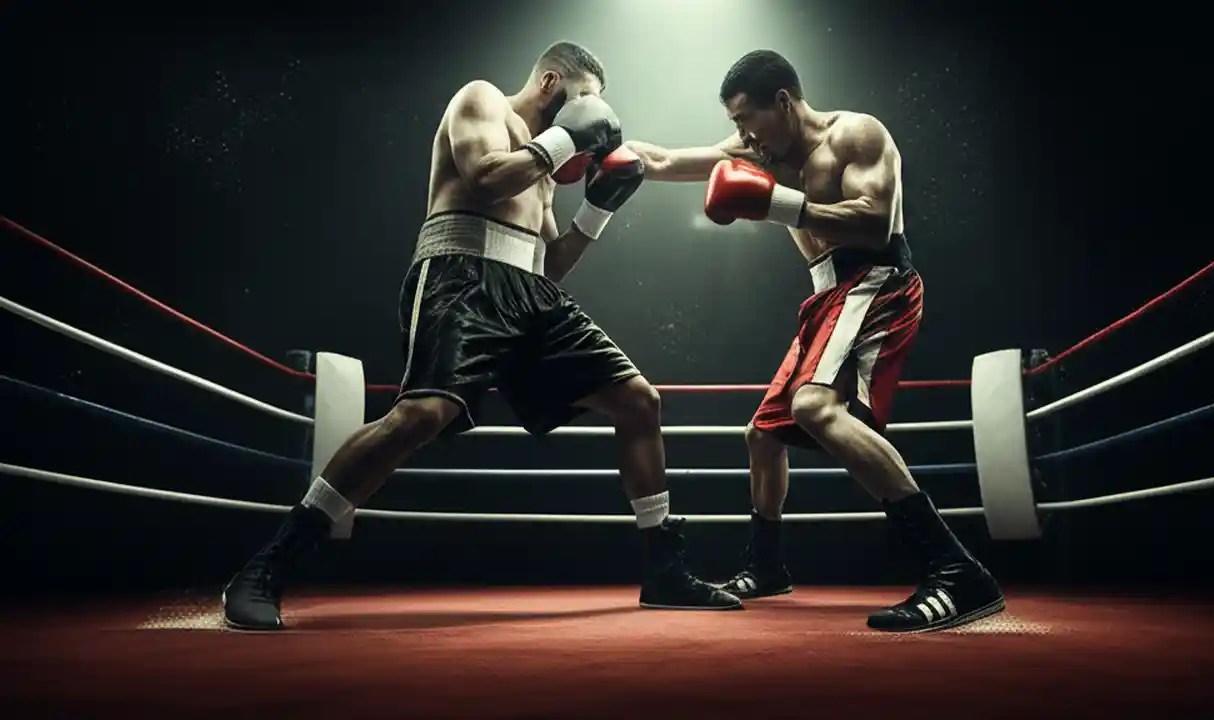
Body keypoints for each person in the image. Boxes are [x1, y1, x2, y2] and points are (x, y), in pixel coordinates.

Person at [222, 41, 742, 630]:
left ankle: (664, 570)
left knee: (638, 400)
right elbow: (486, 178)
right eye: (587, 103)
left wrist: (598, 207)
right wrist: (565, 140)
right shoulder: (483, 101)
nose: (593, 123)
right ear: (551, 82)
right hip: (460, 273)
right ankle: (270, 564)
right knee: (422, 415)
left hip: (529, 292)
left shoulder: (545, 165)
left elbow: (550, 263)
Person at [624, 50, 1003, 632]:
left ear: (784, 101)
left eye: (747, 119)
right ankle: (769, 565)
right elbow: (665, 157)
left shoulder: (856, 134)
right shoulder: (756, 150)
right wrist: (593, 150)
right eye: (734, 124)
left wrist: (774, 203)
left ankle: (955, 569)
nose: (741, 136)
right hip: (825, 296)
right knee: (763, 435)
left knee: (814, 407)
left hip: (875, 278)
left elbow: (875, 221)